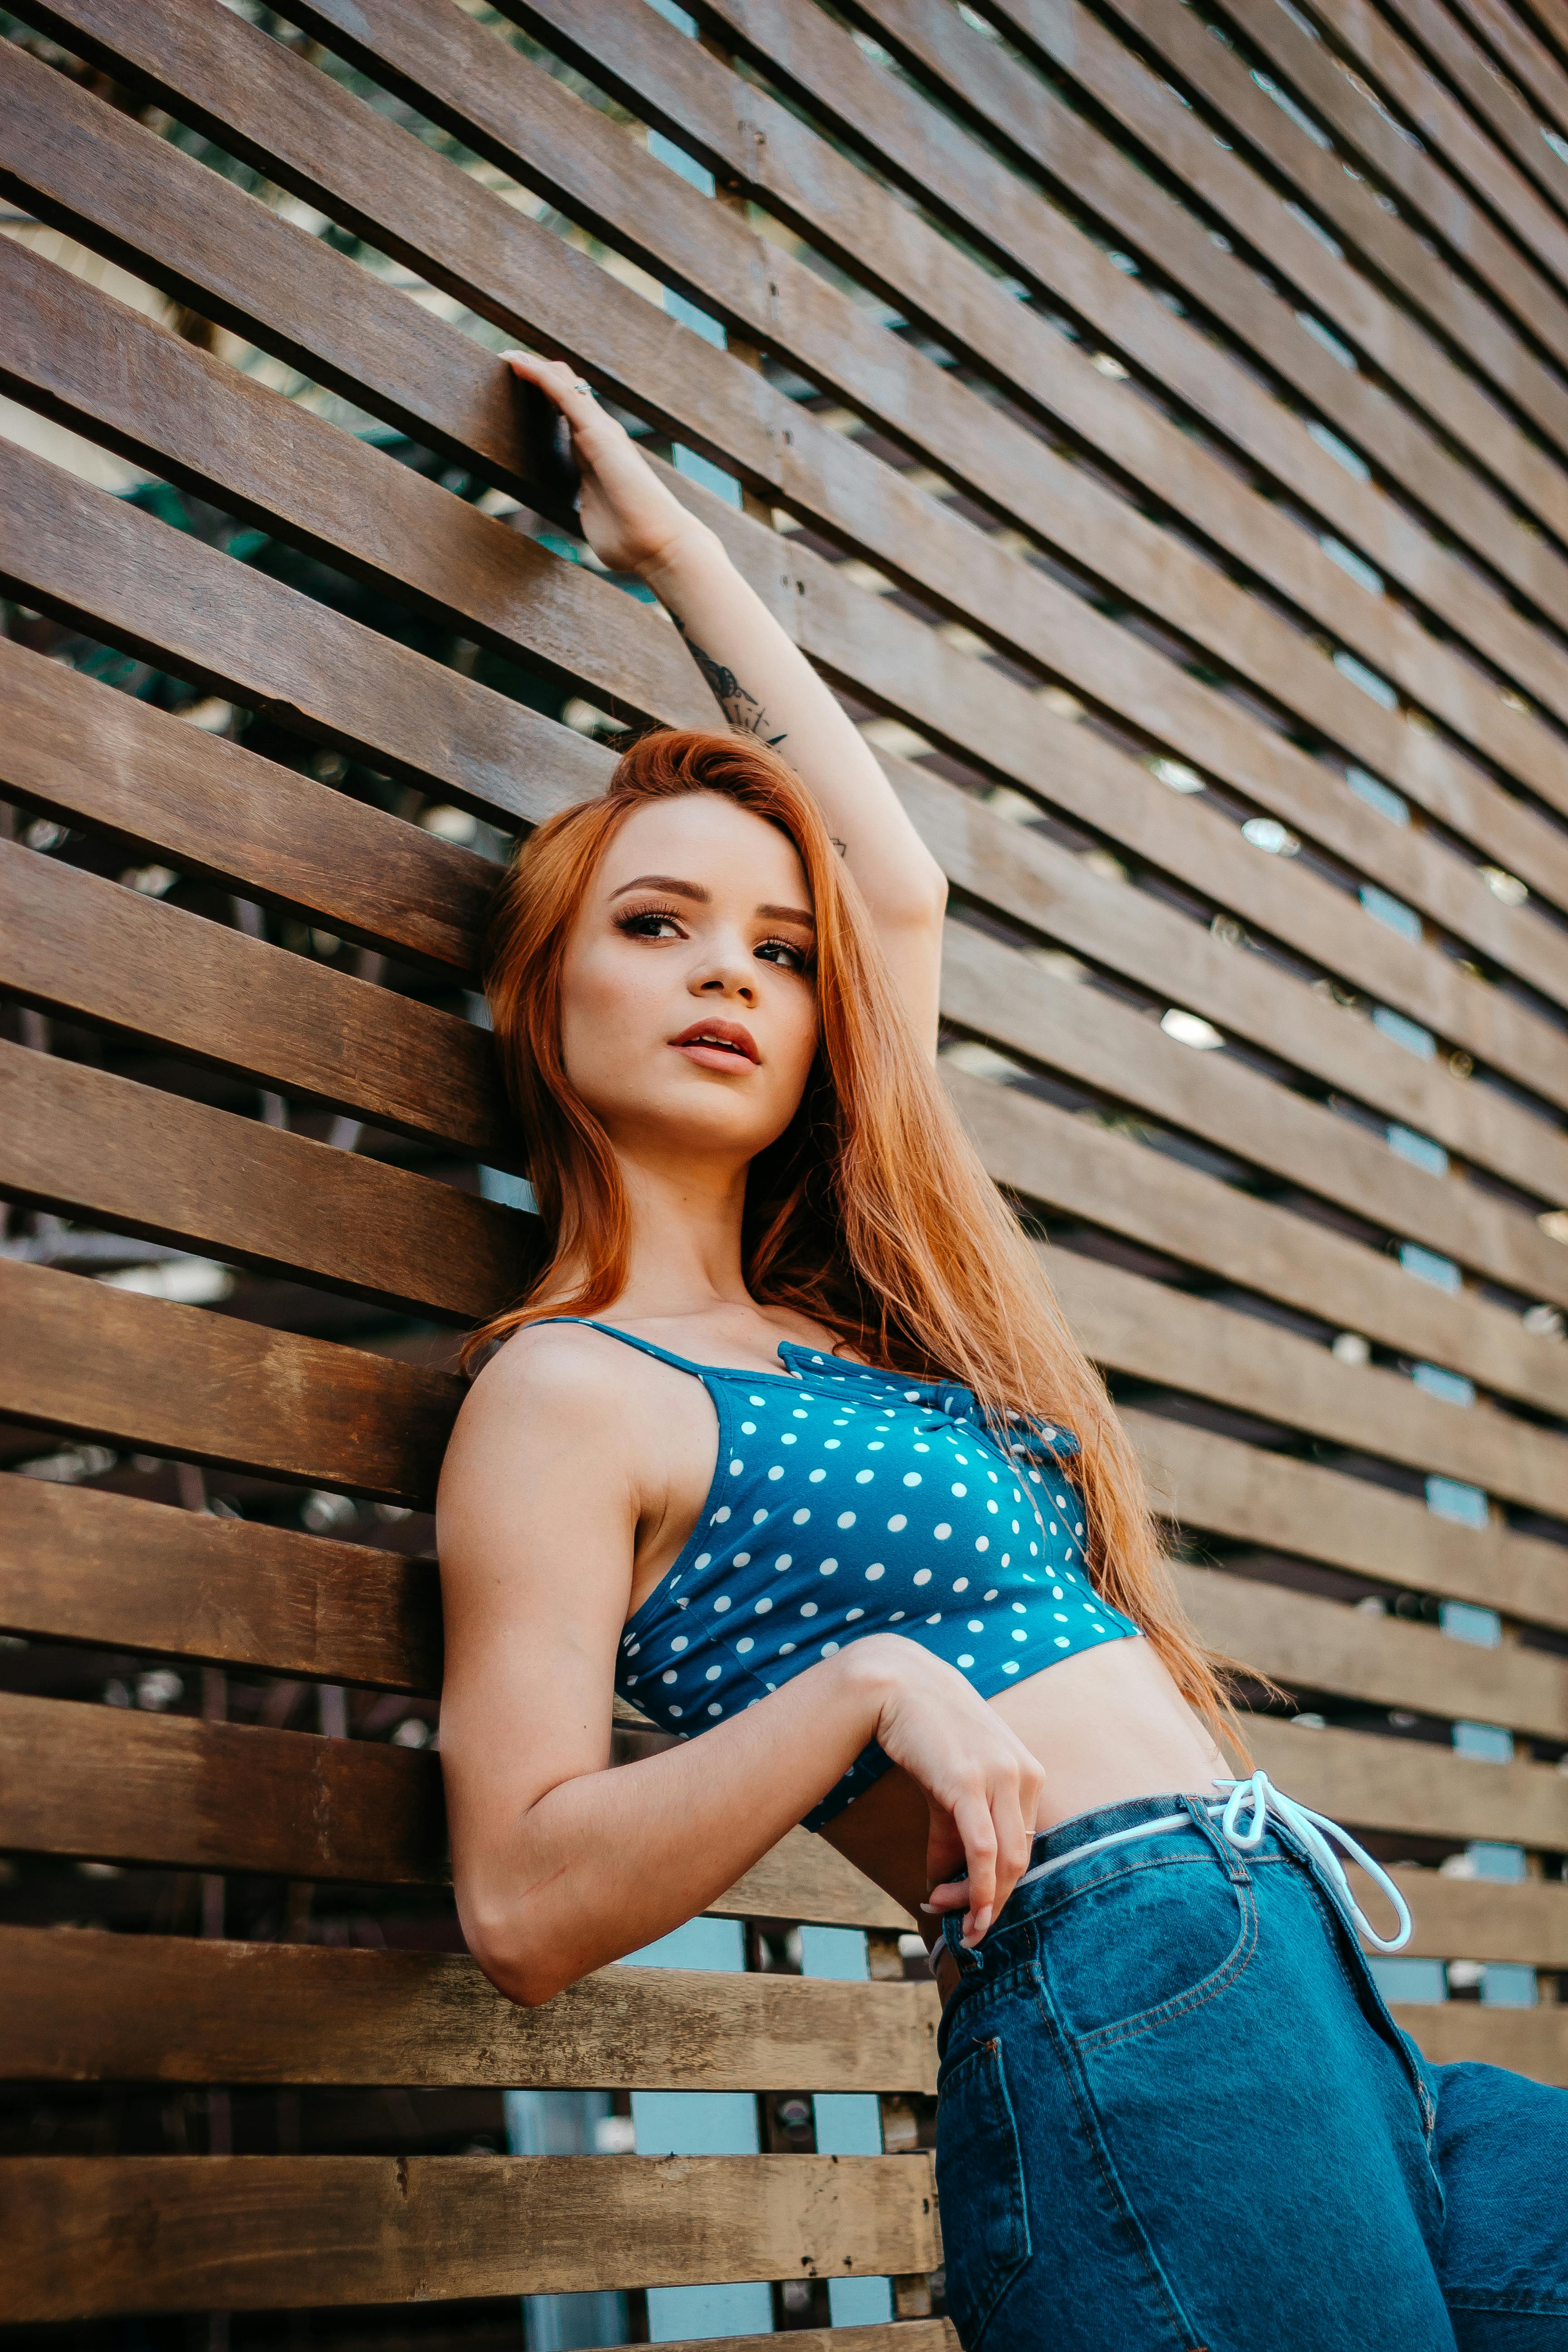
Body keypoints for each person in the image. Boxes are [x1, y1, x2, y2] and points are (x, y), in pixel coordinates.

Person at [436, 355, 1568, 2350]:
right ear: (540, 994)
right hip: (1125, 2000)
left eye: (775, 957)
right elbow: (521, 1905)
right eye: (658, 926)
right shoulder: (569, 1393)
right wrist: (869, 1688)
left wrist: (673, 547)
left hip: (1291, 1964)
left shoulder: (856, 1312)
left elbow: (901, 889)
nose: (734, 974)